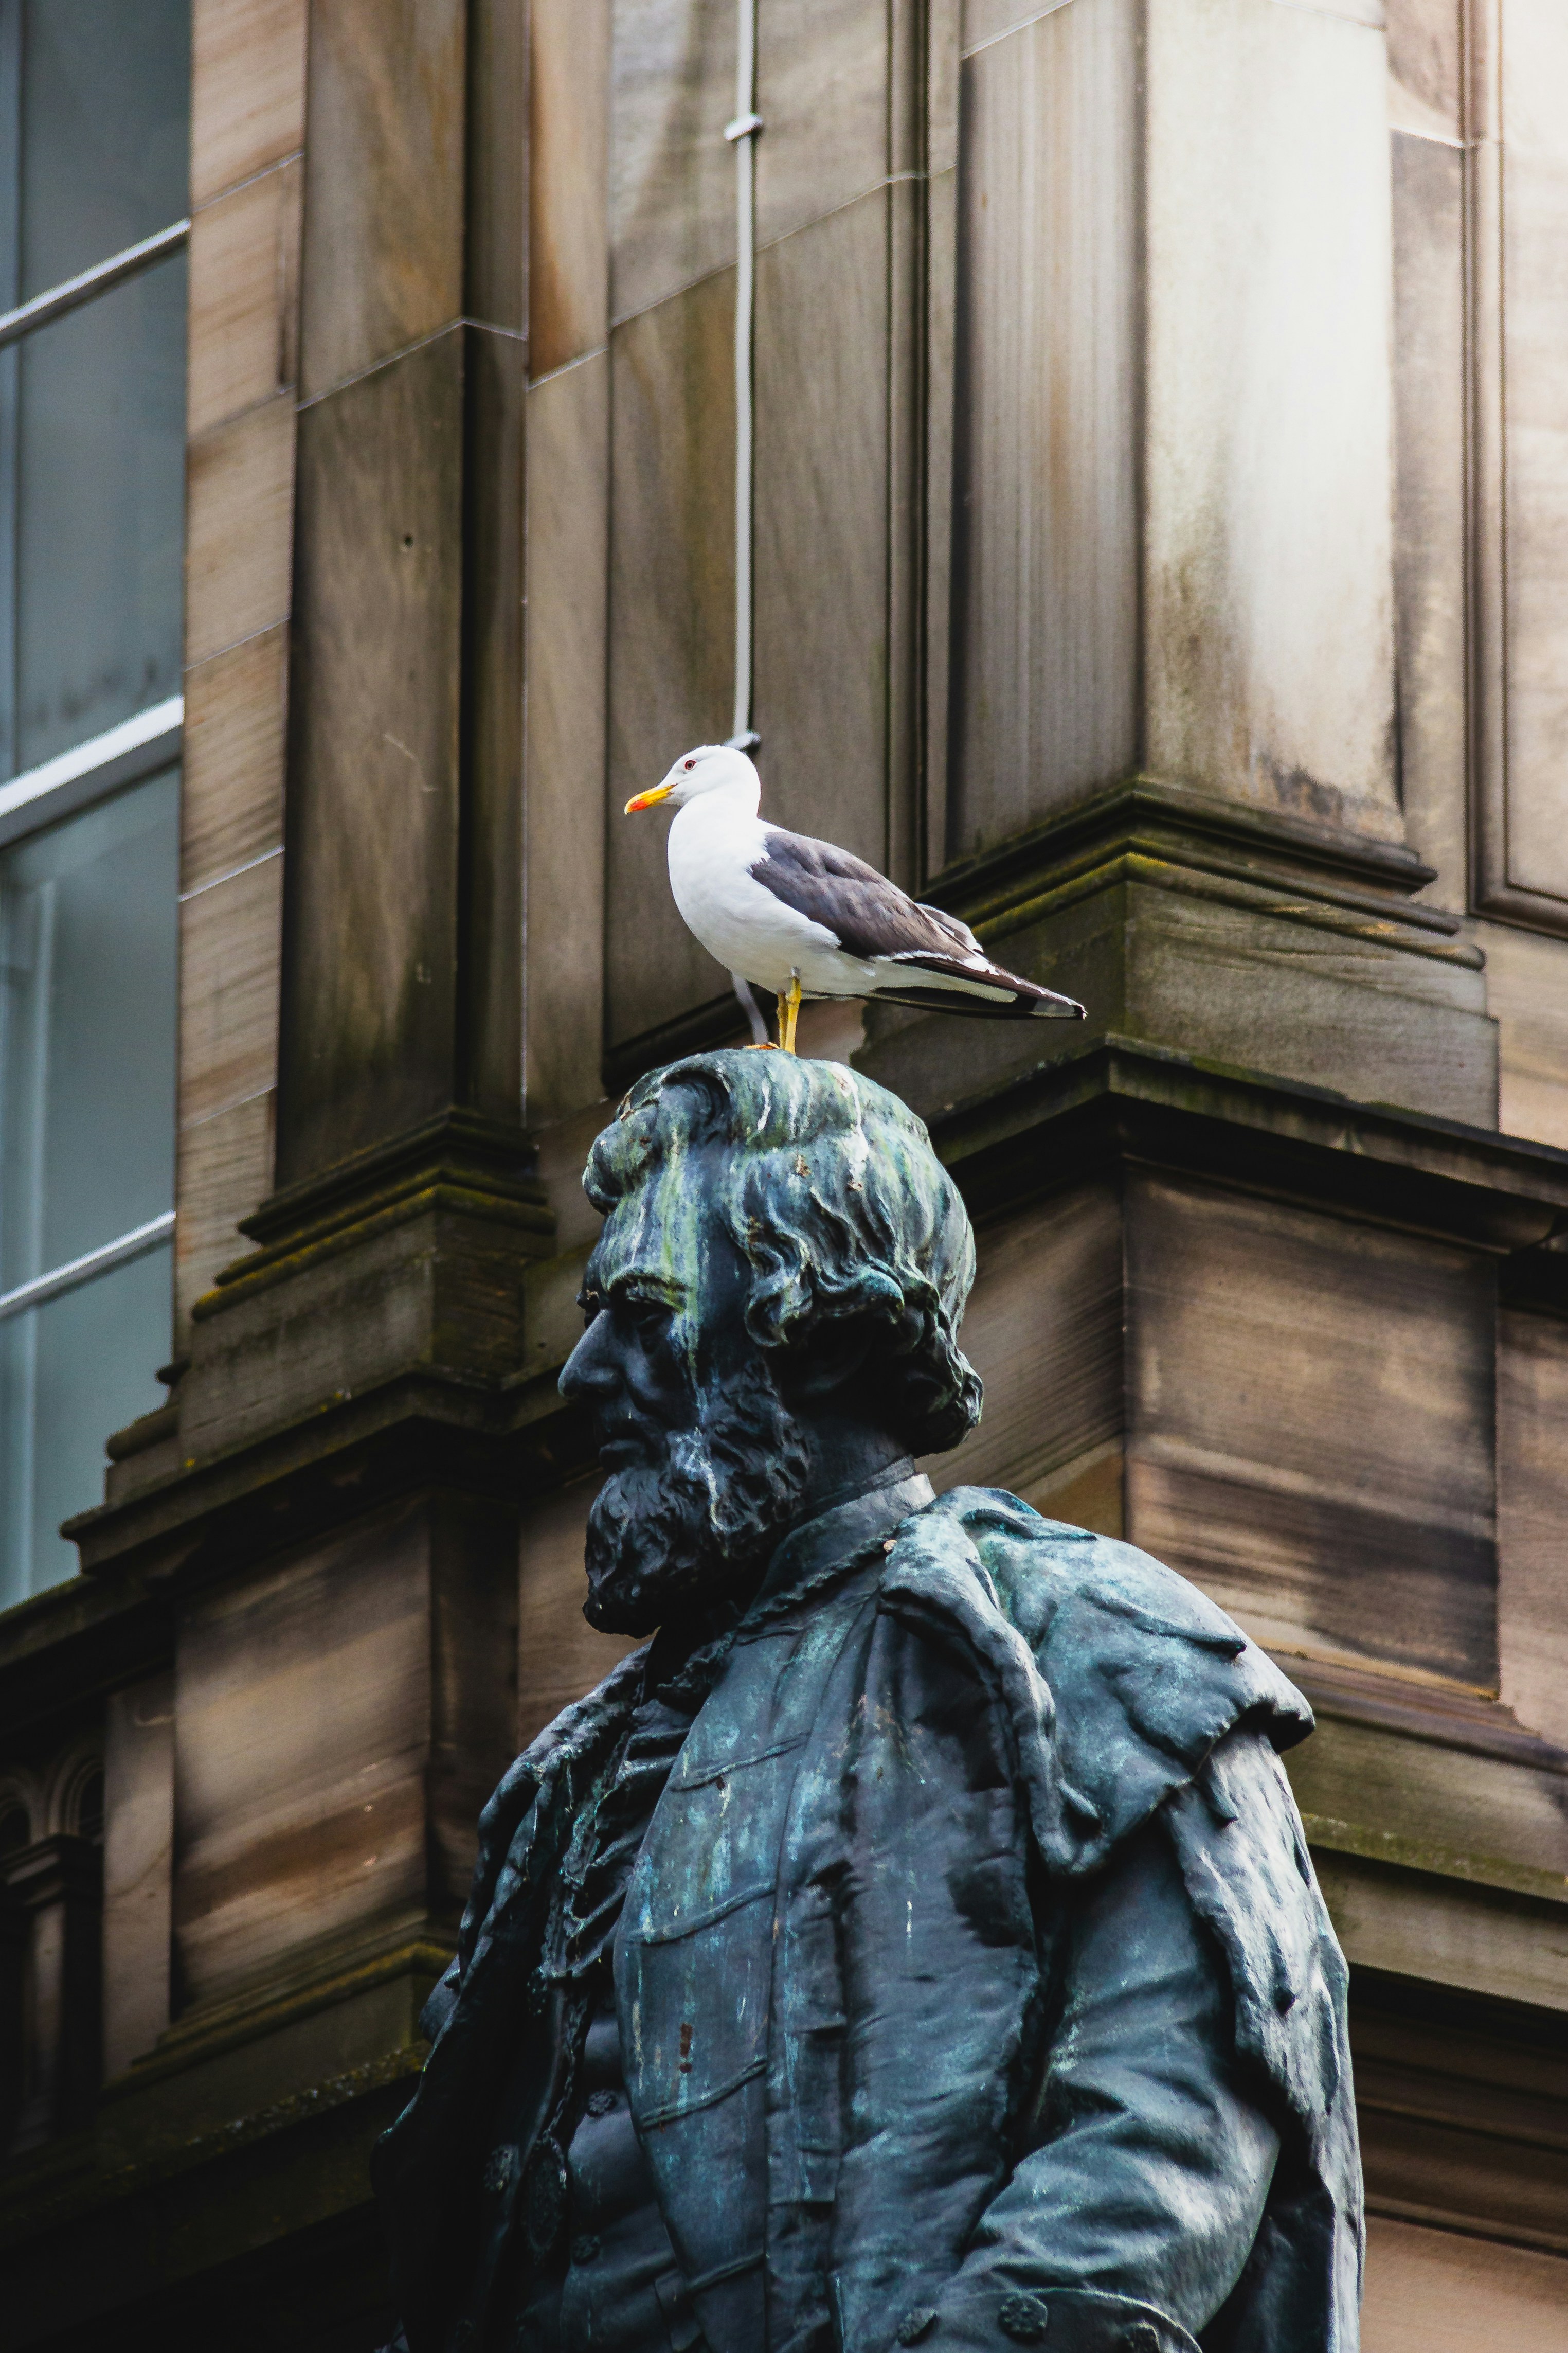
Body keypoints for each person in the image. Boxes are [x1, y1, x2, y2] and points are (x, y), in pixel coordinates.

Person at [372, 1051, 1362, 2353]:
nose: (582, 1377)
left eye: (643, 1310)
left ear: (821, 1328)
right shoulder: (568, 1776)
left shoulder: (1081, 1647)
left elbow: (1161, 2135)